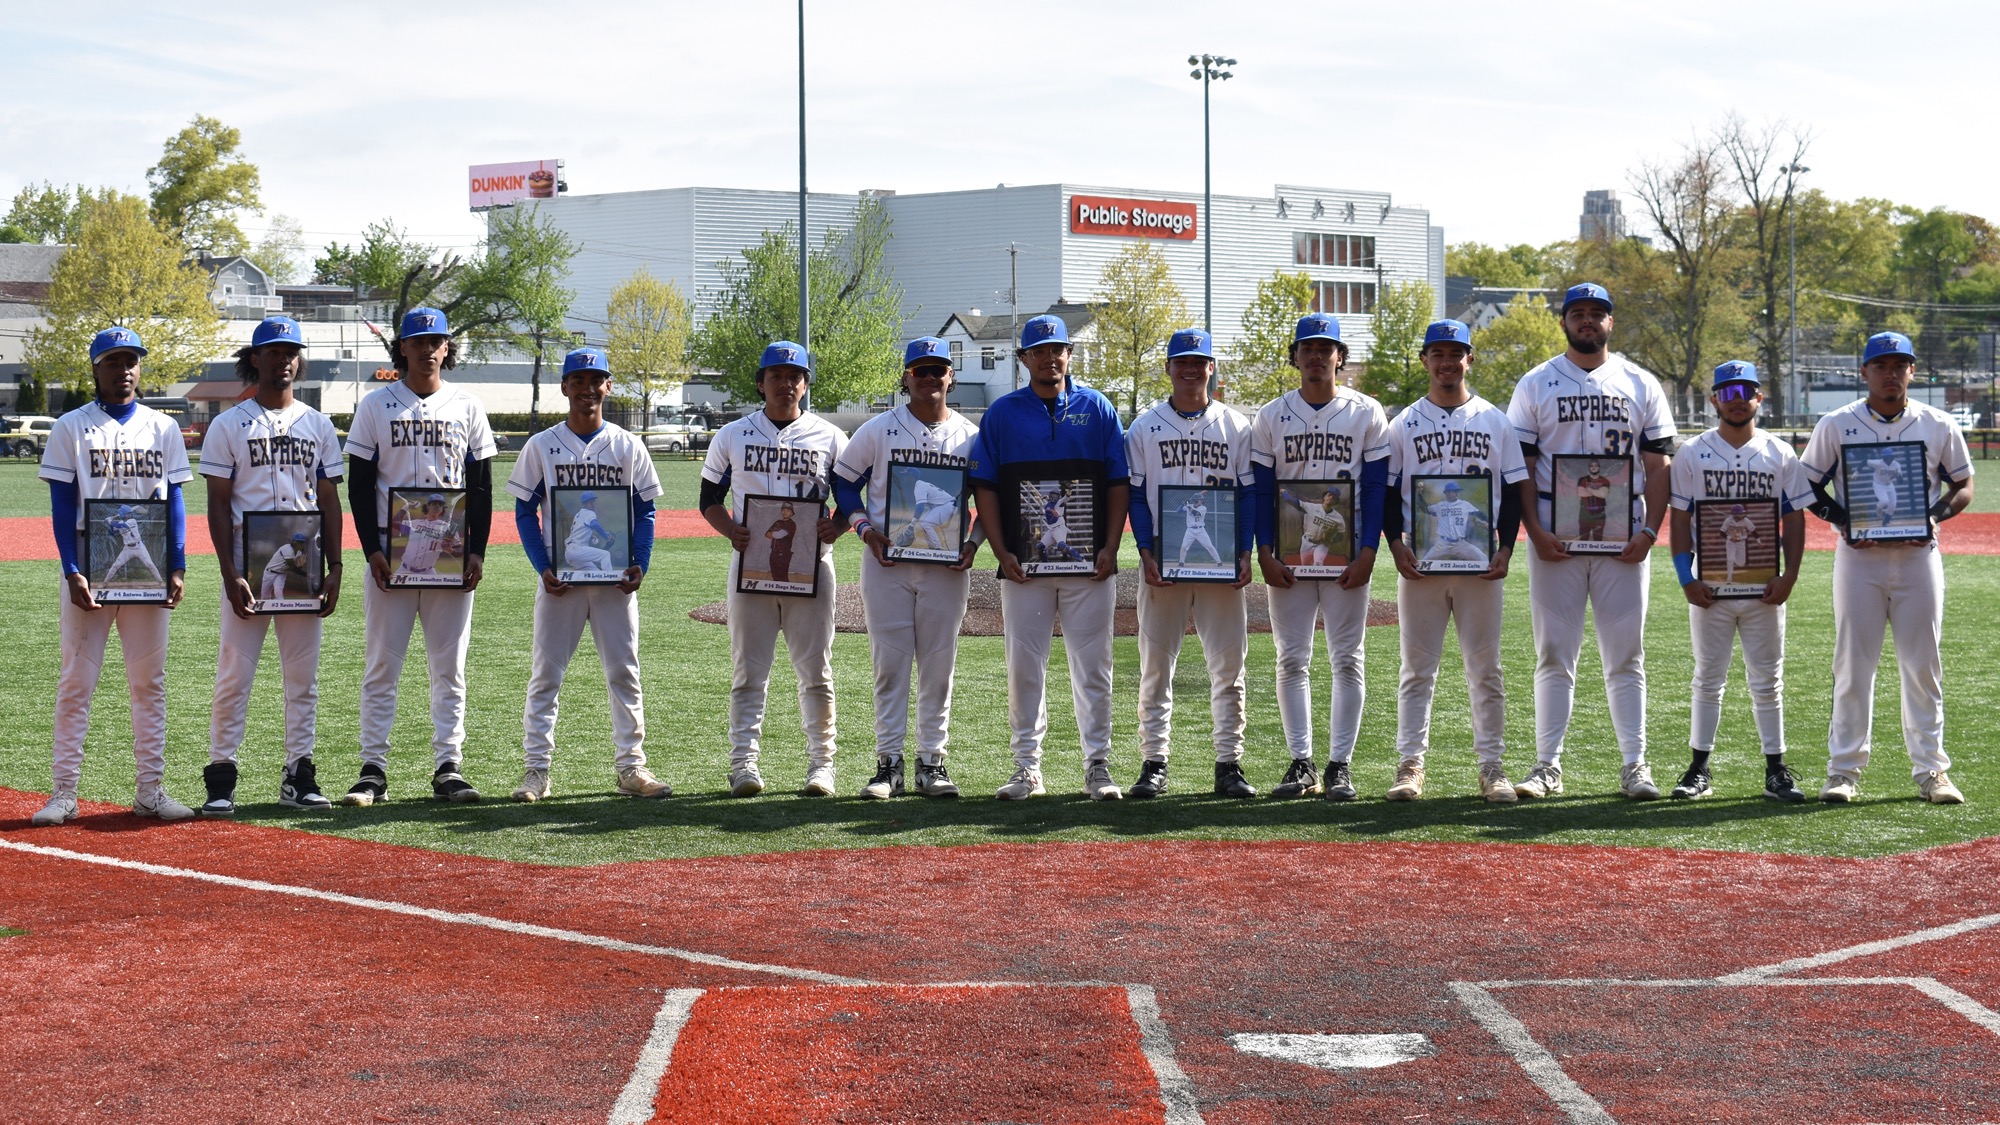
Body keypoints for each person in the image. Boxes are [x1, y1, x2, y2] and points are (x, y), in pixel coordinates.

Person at [1508, 283, 1677, 800]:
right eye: (1578, 313)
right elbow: (1521, 466)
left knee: (1626, 655)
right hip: (1556, 541)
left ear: (1610, 322)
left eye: (1597, 314)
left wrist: (1650, 531)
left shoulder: (1639, 381)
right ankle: (1547, 765)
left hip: (1622, 540)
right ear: (1564, 322)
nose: (1587, 321)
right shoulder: (1536, 382)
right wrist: (1534, 532)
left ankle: (1635, 764)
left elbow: (1658, 463)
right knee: (1554, 652)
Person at [33, 326, 196, 826]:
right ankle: (64, 792)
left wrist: (179, 562)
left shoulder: (163, 427)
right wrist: (71, 568)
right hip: (89, 565)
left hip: (146, 568)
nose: (125, 369)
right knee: (76, 681)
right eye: (114, 361)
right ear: (96, 369)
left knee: (150, 681)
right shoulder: (71, 426)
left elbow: (176, 500)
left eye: (132, 360)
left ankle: (150, 790)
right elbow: (62, 505)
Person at [1801, 331, 1973, 804]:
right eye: (1881, 365)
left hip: (1919, 557)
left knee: (1923, 665)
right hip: (1859, 559)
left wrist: (1933, 514)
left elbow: (1962, 484)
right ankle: (1843, 771)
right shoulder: (1837, 423)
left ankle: (1932, 771)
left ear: (1912, 371)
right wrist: (1843, 519)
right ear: (1865, 372)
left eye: (1900, 365)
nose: (1891, 373)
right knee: (1854, 665)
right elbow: (1808, 484)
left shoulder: (1937, 423)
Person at [970, 313, 1130, 800]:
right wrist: (1000, 550)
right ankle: (1026, 767)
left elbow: (1118, 482)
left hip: (1089, 566)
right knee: (1024, 666)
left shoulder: (1098, 407)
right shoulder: (1002, 413)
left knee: (1094, 666)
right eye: (1038, 351)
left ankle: (1097, 765)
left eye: (1056, 349)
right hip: (1024, 568)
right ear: (1024, 359)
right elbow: (986, 487)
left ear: (1068, 355)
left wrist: (1110, 546)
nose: (1049, 357)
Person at [341, 307, 497, 807]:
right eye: (418, 340)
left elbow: (482, 485)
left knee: (449, 667)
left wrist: (477, 549)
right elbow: (361, 487)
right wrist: (370, 550)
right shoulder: (375, 405)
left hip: (450, 557)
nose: (428, 348)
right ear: (402, 348)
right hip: (392, 557)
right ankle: (372, 769)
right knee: (381, 665)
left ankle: (448, 766)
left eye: (437, 340)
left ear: (447, 348)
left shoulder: (467, 405)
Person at [506, 346, 669, 802]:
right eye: (578, 380)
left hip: (614, 582)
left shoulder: (626, 444)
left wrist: (641, 561)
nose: (587, 388)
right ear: (564, 387)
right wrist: (542, 567)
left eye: (595, 380)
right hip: (562, 580)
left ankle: (632, 768)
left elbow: (645, 509)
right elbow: (524, 512)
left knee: (624, 671)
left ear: (608, 386)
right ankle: (536, 770)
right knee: (546, 674)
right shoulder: (542, 445)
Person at [199, 315, 345, 815]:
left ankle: (299, 774)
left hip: (304, 565)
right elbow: (218, 503)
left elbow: (328, 498)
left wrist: (337, 565)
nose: (284, 359)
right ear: (255, 359)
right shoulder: (228, 423)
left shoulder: (318, 423)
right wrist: (228, 571)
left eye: (291, 351)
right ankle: (221, 776)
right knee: (234, 675)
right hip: (247, 563)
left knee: (302, 677)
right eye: (274, 351)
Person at [1381, 319, 1527, 803]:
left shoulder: (1494, 420)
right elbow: (1388, 492)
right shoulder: (1403, 423)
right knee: (1417, 669)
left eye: (1456, 352)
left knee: (1485, 668)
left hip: (1477, 564)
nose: (1447, 361)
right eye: (1438, 353)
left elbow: (1510, 492)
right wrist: (1395, 543)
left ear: (1470, 358)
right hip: (1422, 563)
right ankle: (1410, 766)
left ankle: (1492, 766)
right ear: (1425, 360)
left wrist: (1506, 547)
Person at [832, 336, 982, 799]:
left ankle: (932, 762)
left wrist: (975, 542)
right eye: (921, 370)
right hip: (887, 564)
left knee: (939, 665)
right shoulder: (878, 429)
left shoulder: (971, 435)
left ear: (951, 376)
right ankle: (888, 764)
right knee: (890, 664)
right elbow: (843, 481)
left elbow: (986, 498)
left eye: (939, 368)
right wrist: (862, 528)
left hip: (945, 567)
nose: (931, 377)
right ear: (906, 377)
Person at [1250, 313, 1390, 800]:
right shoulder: (1270, 415)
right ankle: (1301, 761)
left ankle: (1339, 765)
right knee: (1291, 659)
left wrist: (1370, 549)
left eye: (1324, 348)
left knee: (1347, 658)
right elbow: (1262, 491)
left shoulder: (1367, 410)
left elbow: (1375, 489)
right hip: (1290, 556)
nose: (1316, 356)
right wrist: (1263, 550)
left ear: (1340, 357)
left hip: (1344, 556)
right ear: (1294, 357)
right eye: (1307, 348)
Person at [701, 341, 847, 797]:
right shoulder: (732, 434)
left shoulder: (829, 436)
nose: (786, 384)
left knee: (816, 670)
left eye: (795, 376)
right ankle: (743, 763)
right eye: (777, 376)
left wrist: (836, 527)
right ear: (761, 383)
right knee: (748, 669)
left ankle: (822, 765)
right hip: (751, 568)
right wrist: (731, 531)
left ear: (805, 383)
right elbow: (708, 500)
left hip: (812, 565)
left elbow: (854, 499)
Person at [1666, 360, 1812, 802]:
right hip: (1710, 588)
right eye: (1727, 393)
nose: (1736, 400)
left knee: (1767, 680)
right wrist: (1684, 578)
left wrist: (1790, 576)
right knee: (1708, 677)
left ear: (1758, 397)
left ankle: (1776, 769)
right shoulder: (1692, 451)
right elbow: (1680, 519)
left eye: (1744, 391)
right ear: (1714, 399)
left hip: (1764, 586)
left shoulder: (1779, 452)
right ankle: (1698, 768)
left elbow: (1794, 518)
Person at [1123, 328, 1256, 799]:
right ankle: (1154, 761)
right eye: (1182, 361)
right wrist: (1145, 551)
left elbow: (1246, 494)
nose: (1190, 369)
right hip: (1163, 565)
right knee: (1156, 666)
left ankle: (1229, 763)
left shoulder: (1236, 426)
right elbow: (1137, 495)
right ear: (1168, 369)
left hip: (1220, 567)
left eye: (1198, 361)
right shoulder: (1145, 426)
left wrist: (1246, 551)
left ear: (1211, 367)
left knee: (1228, 667)